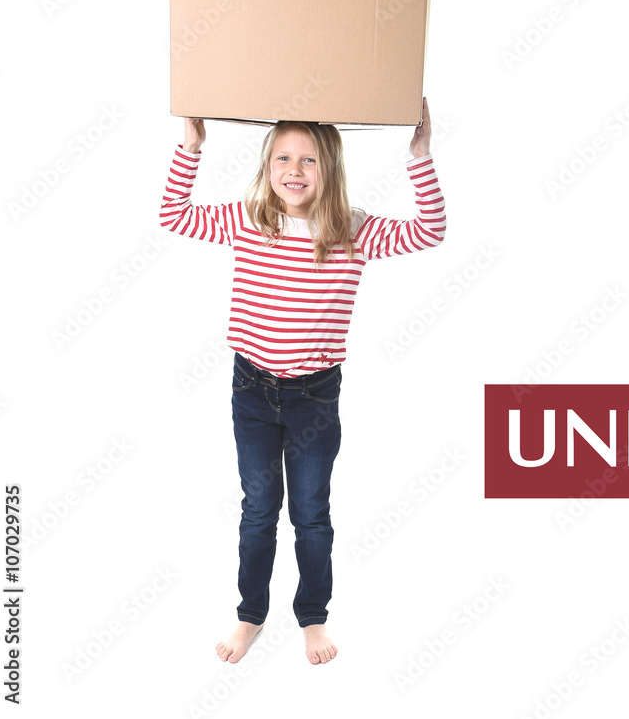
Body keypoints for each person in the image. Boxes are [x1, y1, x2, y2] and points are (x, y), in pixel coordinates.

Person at [158, 97, 445, 665]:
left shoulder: (353, 230)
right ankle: (251, 614)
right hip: (252, 389)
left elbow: (430, 231)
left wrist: (420, 154)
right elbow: (174, 214)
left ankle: (313, 616)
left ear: (329, 167)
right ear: (267, 166)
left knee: (311, 512)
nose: (294, 170)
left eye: (309, 159)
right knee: (258, 509)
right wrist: (191, 147)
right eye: (283, 158)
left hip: (314, 395)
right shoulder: (248, 219)